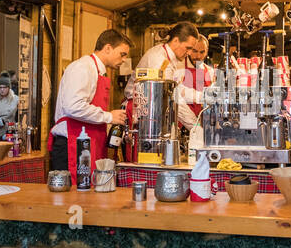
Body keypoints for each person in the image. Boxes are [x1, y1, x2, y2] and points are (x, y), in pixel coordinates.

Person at [50, 29, 130, 182]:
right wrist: (108, 116)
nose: (124, 59)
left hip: (86, 143)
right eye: (122, 54)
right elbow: (73, 106)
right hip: (71, 145)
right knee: (73, 200)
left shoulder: (97, 71)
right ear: (107, 48)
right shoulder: (82, 68)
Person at [125, 22, 197, 101]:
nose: (190, 53)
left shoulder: (170, 56)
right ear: (176, 41)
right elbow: (166, 94)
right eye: (188, 48)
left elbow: (177, 89)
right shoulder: (158, 58)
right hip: (137, 106)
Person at [178, 35, 215, 130]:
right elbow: (179, 100)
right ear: (189, 50)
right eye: (195, 51)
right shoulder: (179, 67)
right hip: (181, 125)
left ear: (207, 51)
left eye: (202, 52)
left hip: (203, 124)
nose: (198, 56)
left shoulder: (210, 71)